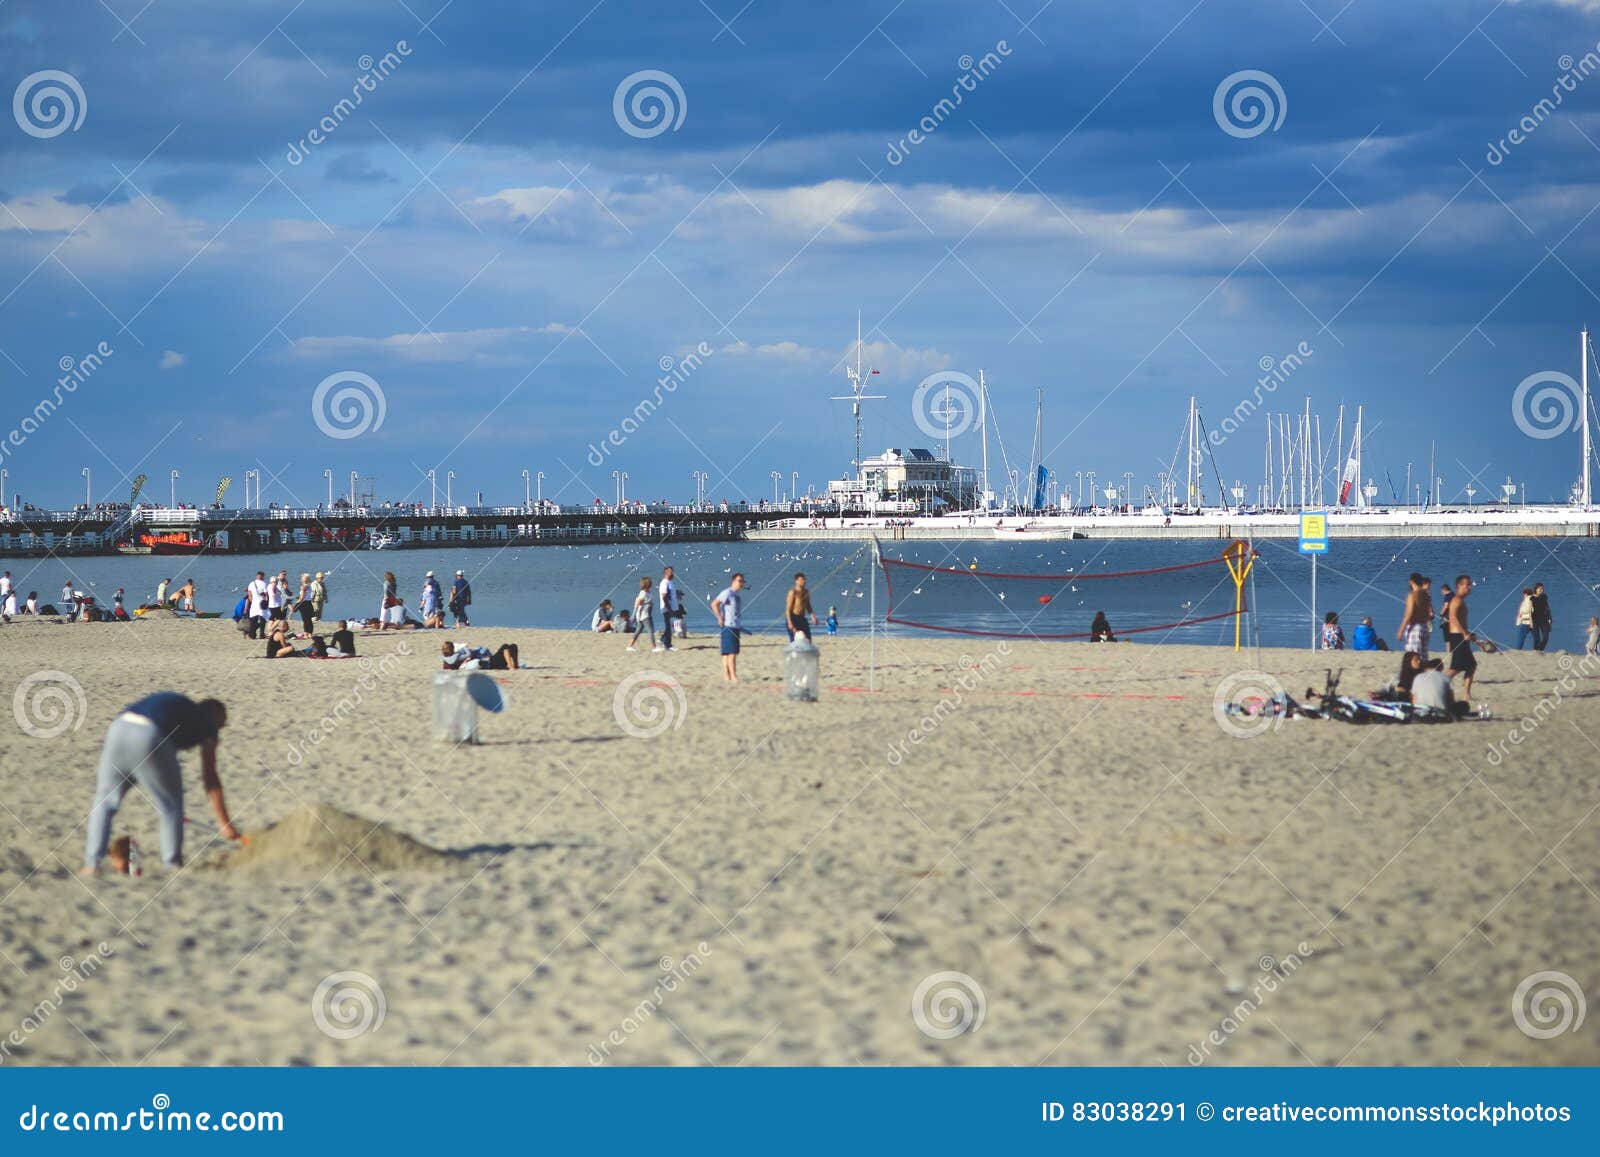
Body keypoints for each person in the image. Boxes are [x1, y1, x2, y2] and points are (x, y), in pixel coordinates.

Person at [82, 692, 240, 875]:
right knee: (171, 807)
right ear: (216, 717)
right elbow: (210, 777)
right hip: (150, 734)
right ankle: (172, 865)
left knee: (105, 802)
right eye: (221, 724)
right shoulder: (208, 722)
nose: (219, 730)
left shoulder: (182, 706)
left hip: (119, 727)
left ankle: (91, 865)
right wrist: (224, 823)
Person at [1445, 573, 1478, 700]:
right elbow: (1452, 617)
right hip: (1457, 636)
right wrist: (1464, 633)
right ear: (1459, 586)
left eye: (1470, 585)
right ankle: (1438, 682)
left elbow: (1461, 620)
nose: (1469, 587)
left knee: (1471, 666)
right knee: (1456, 668)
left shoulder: (1461, 600)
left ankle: (1467, 695)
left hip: (1461, 635)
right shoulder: (1456, 600)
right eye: (1467, 585)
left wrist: (1469, 633)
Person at [712, 572, 746, 683]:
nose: (741, 583)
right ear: (733, 581)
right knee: (731, 653)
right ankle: (733, 676)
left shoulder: (737, 596)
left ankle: (727, 676)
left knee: (728, 653)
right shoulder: (727, 592)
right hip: (728, 626)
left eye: (742, 581)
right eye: (739, 580)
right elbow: (714, 604)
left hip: (735, 626)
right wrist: (719, 617)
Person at [1397, 572, 1431, 658]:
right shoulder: (1426, 595)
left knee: (1412, 658)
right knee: (1423, 658)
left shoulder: (1412, 595)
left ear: (1411, 582)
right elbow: (1429, 613)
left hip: (1415, 627)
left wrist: (1401, 629)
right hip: (1424, 626)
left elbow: (1409, 613)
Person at [628, 576, 658, 652]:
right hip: (644, 616)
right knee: (650, 630)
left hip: (644, 615)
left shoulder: (647, 593)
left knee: (638, 630)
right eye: (650, 582)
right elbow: (638, 603)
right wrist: (634, 615)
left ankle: (630, 646)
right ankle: (654, 647)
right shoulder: (643, 593)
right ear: (647, 584)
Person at [785, 572, 818, 641]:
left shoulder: (806, 592)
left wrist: (813, 617)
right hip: (793, 618)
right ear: (796, 581)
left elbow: (808, 606)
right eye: (802, 580)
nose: (804, 581)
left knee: (808, 639)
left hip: (802, 618)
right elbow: (788, 609)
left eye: (804, 580)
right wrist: (790, 622)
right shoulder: (793, 592)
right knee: (795, 639)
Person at [659, 566, 681, 651]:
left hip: (672, 608)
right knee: (668, 626)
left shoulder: (670, 582)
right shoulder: (664, 583)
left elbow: (671, 594)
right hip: (667, 608)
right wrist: (669, 609)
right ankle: (667, 644)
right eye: (670, 572)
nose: (672, 573)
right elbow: (664, 596)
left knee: (669, 626)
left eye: (672, 572)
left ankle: (664, 640)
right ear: (665, 573)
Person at [1530, 582, 1552, 651]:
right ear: (1536, 589)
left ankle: (1541, 650)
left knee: (1546, 637)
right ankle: (1535, 652)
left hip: (1544, 619)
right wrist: (1530, 622)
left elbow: (1547, 608)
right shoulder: (1531, 598)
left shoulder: (1544, 596)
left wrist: (1550, 618)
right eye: (1540, 589)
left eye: (1543, 589)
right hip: (1534, 620)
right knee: (1537, 639)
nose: (1542, 590)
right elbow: (1529, 611)